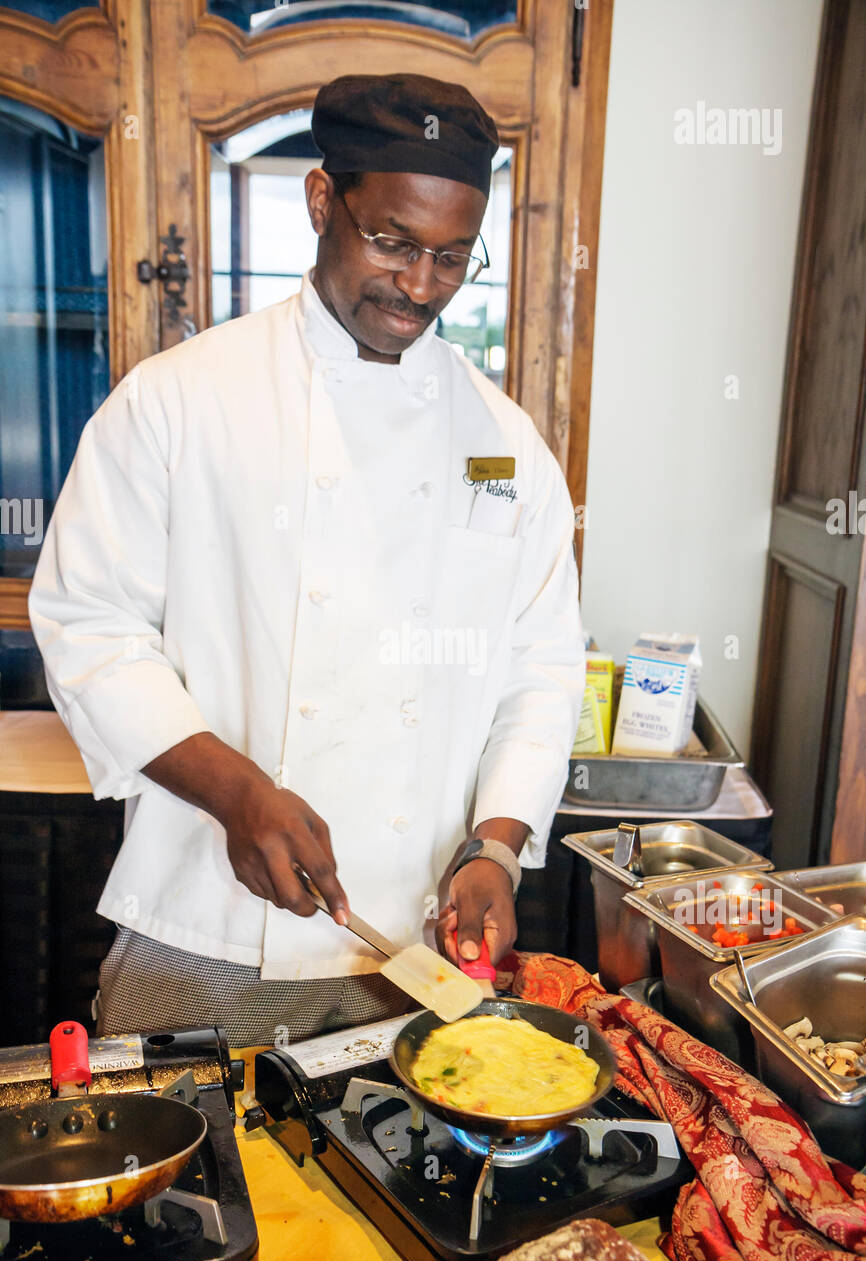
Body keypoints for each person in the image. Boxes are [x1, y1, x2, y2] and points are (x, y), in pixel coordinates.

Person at [29, 73, 585, 1047]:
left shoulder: (502, 442)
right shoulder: (179, 402)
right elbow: (89, 627)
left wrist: (494, 846)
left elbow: (538, 670)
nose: (420, 285)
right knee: (187, 1189)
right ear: (323, 200)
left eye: (452, 258)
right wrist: (236, 792)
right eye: (392, 242)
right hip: (207, 934)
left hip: (415, 947)